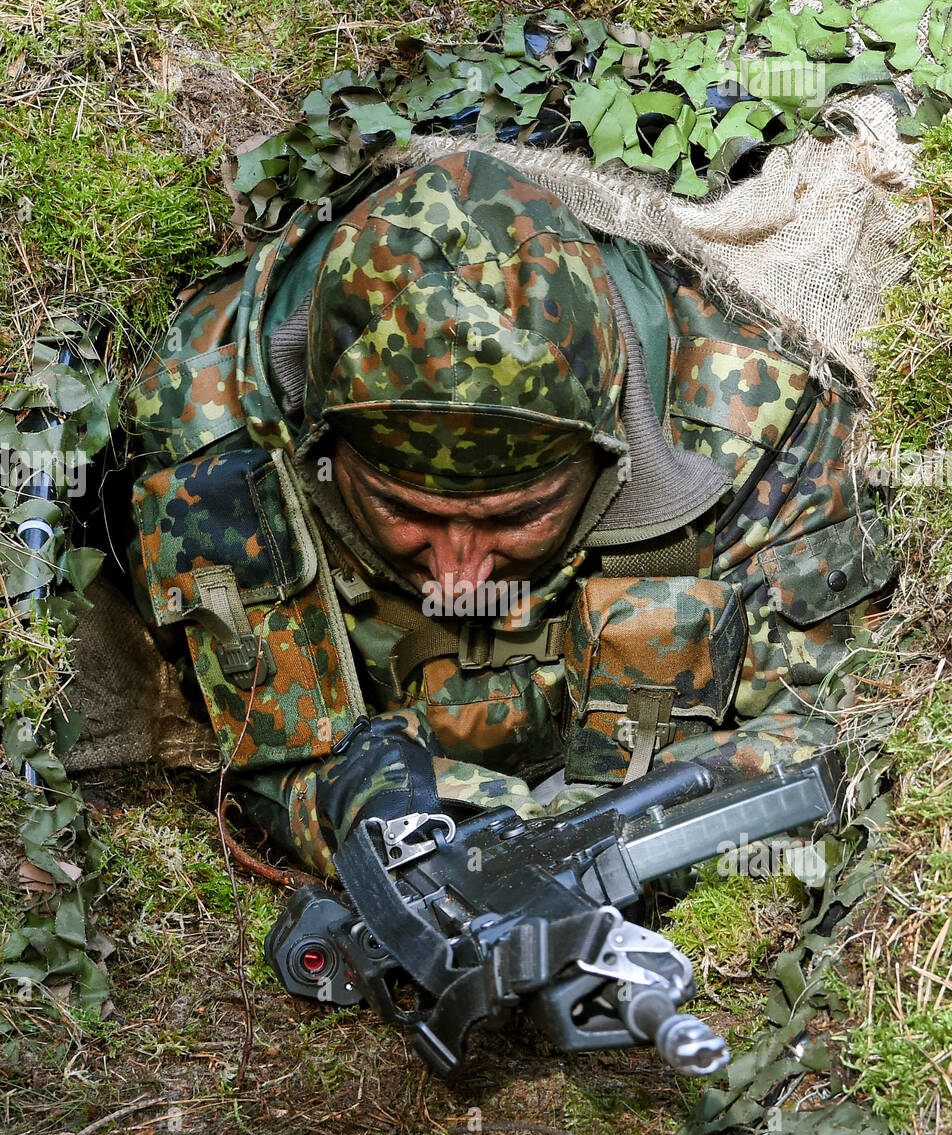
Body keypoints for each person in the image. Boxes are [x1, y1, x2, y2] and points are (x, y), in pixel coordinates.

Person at [128, 148, 894, 875]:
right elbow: (235, 734)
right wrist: (357, 815)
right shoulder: (205, 434)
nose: (461, 577)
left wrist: (612, 846)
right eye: (408, 511)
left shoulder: (758, 429)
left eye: (515, 516)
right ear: (324, 449)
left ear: (607, 455)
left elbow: (847, 722)